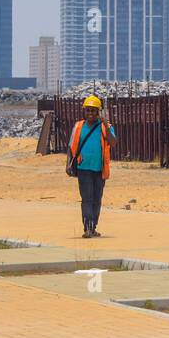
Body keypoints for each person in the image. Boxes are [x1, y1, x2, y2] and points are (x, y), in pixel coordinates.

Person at [68, 95, 116, 238]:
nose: (90, 114)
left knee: (97, 199)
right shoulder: (78, 126)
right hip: (83, 169)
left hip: (100, 169)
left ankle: (93, 226)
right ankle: (87, 228)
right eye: (88, 111)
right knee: (87, 199)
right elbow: (71, 146)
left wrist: (106, 125)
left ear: (98, 112)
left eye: (93, 111)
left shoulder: (105, 127)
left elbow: (113, 142)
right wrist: (72, 162)